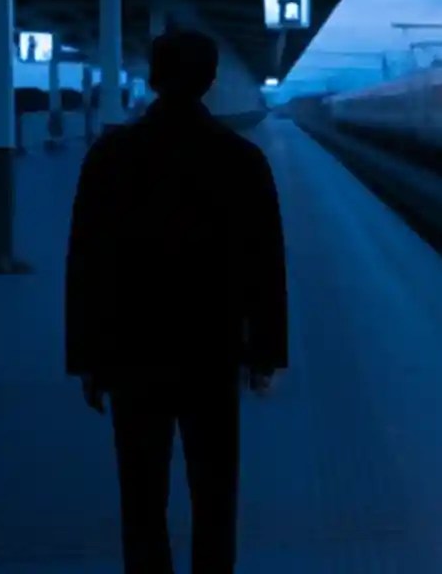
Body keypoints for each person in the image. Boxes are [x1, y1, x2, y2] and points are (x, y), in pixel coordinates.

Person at [65, 30, 288, 574]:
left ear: (151, 78)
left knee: (140, 495)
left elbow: (86, 264)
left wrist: (87, 360)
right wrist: (264, 354)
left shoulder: (110, 156)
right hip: (212, 354)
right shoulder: (242, 159)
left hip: (130, 354)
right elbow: (265, 265)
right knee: (215, 493)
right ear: (212, 81)